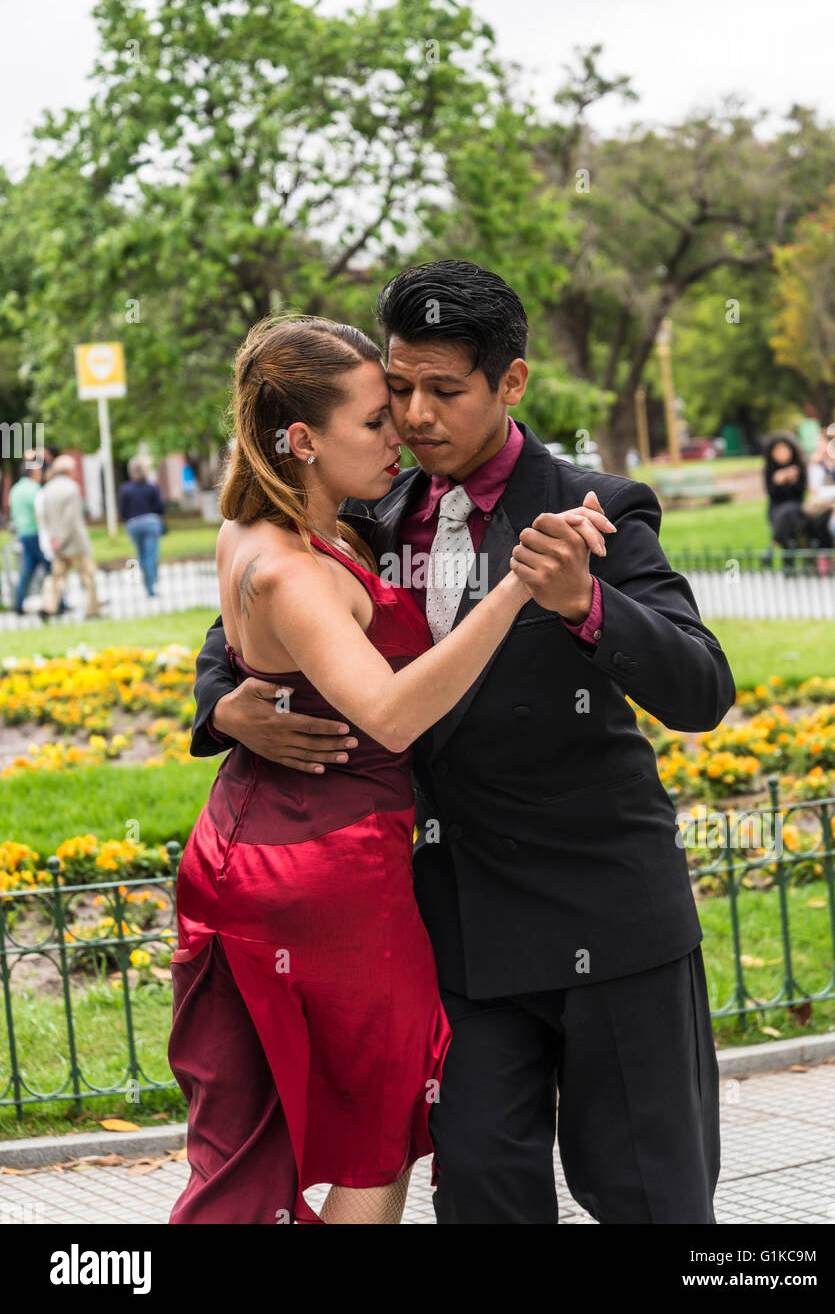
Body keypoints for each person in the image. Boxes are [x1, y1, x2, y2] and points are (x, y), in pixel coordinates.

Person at [191, 262, 736, 1225]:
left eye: (442, 391)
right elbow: (262, 602)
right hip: (459, 935)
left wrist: (586, 603)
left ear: (510, 383)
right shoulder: (367, 508)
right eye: (396, 389)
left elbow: (700, 688)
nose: (412, 415)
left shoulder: (596, 505)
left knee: (650, 1199)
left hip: (606, 918)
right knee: (481, 1194)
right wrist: (223, 703)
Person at [167, 313, 610, 1226]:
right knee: (384, 1125)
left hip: (244, 846)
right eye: (375, 419)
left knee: (253, 1139)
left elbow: (254, 655)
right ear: (300, 439)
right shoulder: (292, 568)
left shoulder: (268, 528)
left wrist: (225, 707)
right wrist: (518, 586)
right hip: (329, 871)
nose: (401, 432)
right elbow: (395, 713)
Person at [37, 455, 101, 620]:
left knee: (57, 577)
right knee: (88, 576)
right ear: (68, 471)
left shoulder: (47, 489)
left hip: (56, 543)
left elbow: (45, 517)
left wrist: (53, 538)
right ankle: (92, 609)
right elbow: (70, 517)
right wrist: (62, 538)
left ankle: (48, 606)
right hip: (74, 542)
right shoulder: (72, 488)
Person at [8, 452, 52, 614]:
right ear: (33, 473)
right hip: (35, 533)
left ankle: (18, 603)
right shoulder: (34, 489)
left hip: (23, 533)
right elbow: (41, 510)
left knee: (27, 570)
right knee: (50, 567)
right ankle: (56, 603)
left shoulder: (15, 489)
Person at [118, 457, 164, 597]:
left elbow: (122, 510)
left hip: (133, 524)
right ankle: (151, 583)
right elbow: (160, 507)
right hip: (150, 522)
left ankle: (148, 582)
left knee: (141, 554)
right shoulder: (151, 487)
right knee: (151, 554)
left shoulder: (125, 489)